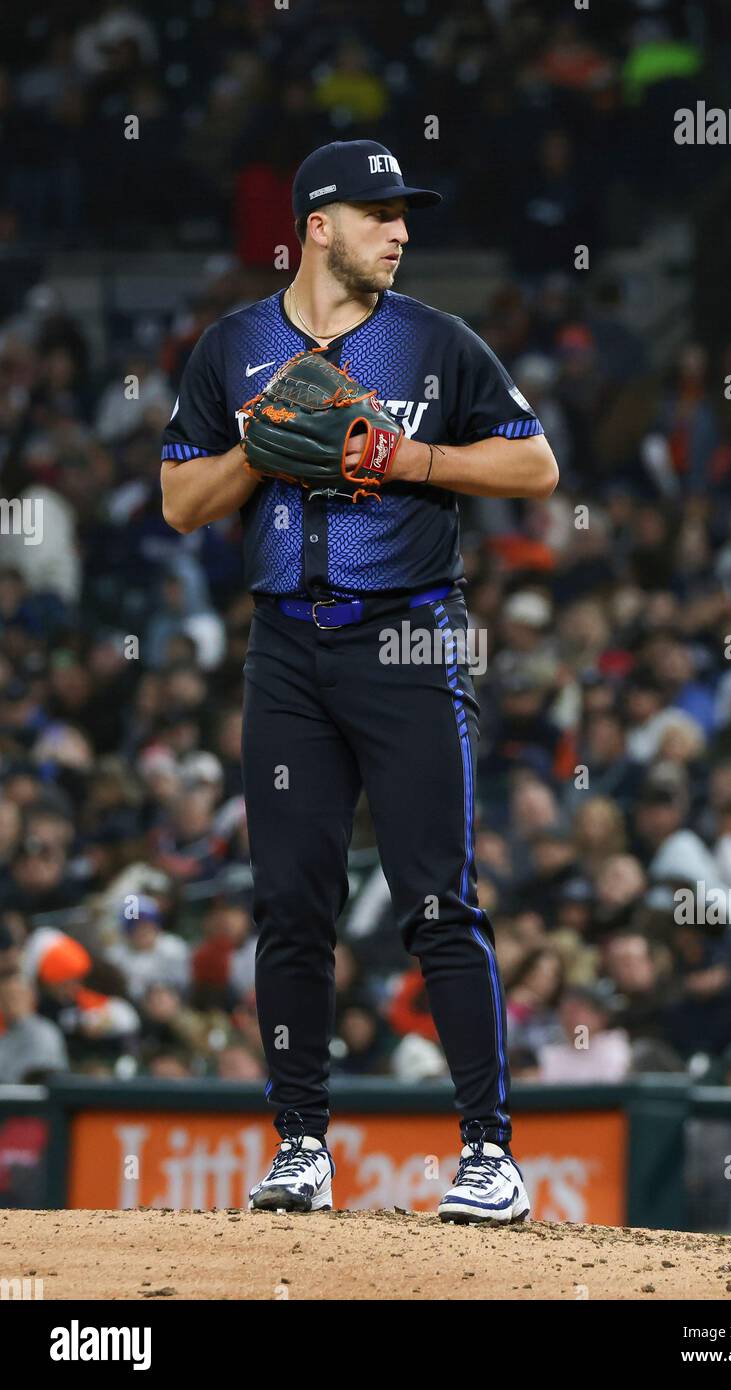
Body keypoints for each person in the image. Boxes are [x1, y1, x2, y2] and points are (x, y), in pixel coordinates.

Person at [160, 139, 559, 1223]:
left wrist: (407, 460)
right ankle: (299, 1146)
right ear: (317, 225)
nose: (400, 230)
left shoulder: (434, 341)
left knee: (436, 896)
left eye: (404, 213)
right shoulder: (234, 345)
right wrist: (260, 449)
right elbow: (180, 502)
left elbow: (533, 465)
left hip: (409, 641)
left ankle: (486, 1152)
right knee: (291, 904)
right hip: (285, 648)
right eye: (379, 212)